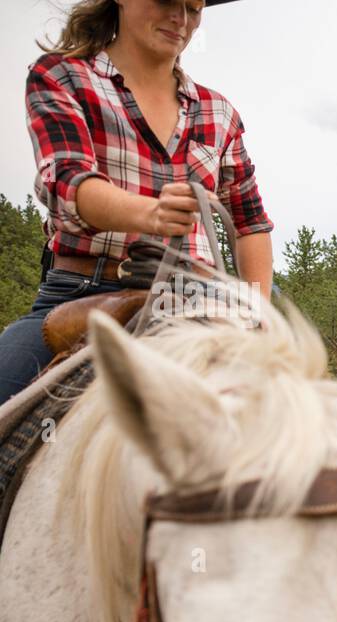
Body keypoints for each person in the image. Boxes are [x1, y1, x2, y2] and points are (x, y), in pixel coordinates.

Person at [0, 0, 272, 406]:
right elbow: (69, 181)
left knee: (297, 417)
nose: (180, 19)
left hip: (198, 297)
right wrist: (152, 213)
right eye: (166, 1)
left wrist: (257, 313)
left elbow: (250, 224)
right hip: (82, 293)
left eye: (193, 8)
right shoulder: (62, 76)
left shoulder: (219, 113)